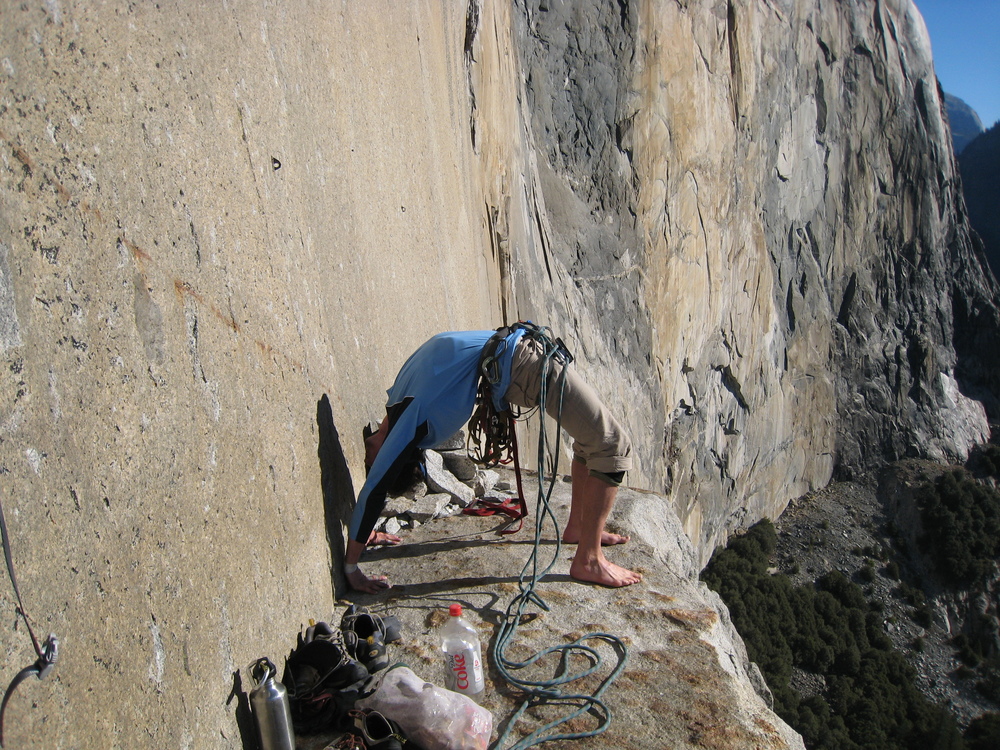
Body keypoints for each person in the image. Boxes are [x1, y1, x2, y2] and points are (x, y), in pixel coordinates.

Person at [344, 325, 642, 594]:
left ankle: (579, 528)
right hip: (521, 361)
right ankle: (588, 559)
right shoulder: (405, 408)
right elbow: (377, 484)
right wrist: (354, 562)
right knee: (613, 446)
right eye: (374, 461)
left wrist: (360, 541)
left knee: (597, 440)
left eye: (371, 461)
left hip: (521, 357)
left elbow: (377, 486)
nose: (370, 458)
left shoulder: (402, 410)